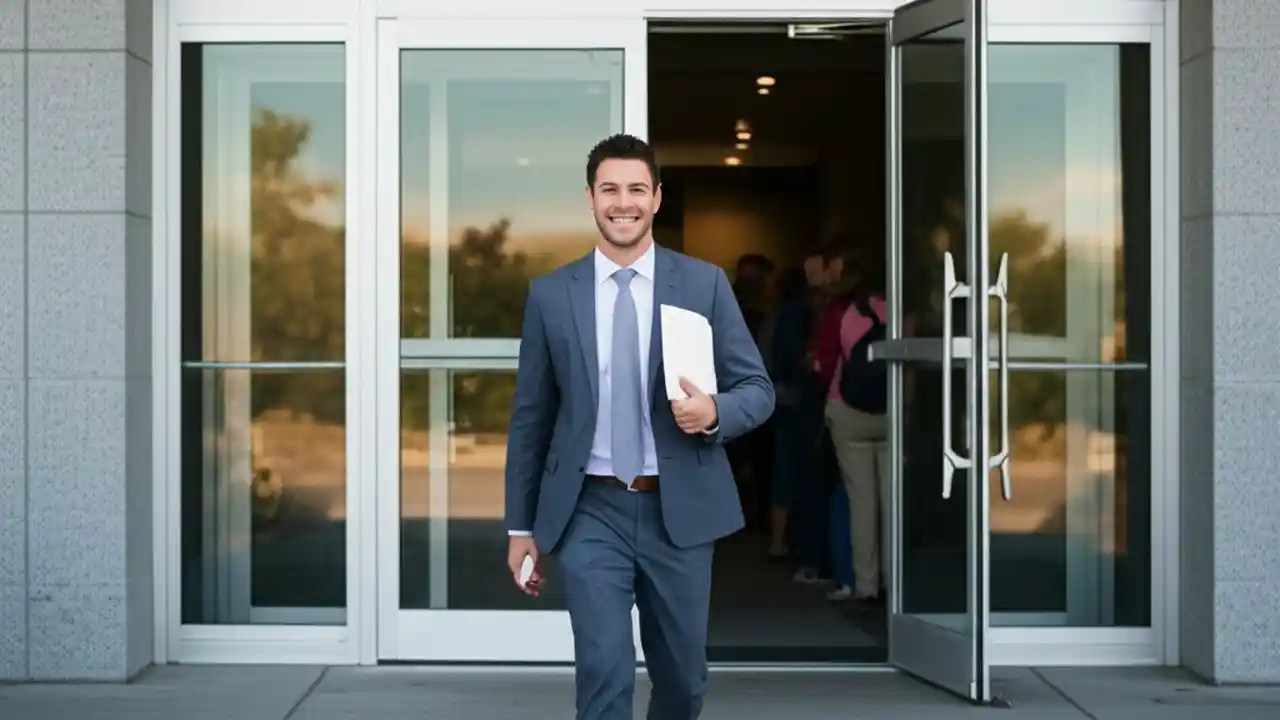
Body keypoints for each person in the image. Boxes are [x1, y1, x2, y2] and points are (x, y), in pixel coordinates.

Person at [504, 133, 775, 720]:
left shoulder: (703, 284)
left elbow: (758, 391)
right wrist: (519, 527)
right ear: (590, 198)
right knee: (604, 672)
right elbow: (531, 419)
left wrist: (714, 413)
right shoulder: (552, 296)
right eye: (608, 189)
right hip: (589, 509)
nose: (621, 202)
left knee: (682, 681)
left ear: (656, 198)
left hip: (678, 511)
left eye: (634, 189)